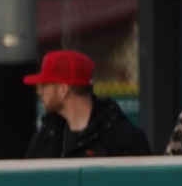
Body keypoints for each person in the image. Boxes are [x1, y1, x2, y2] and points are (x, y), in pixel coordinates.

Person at [23, 50, 152, 158]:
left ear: (63, 89)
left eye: (44, 85)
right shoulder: (44, 139)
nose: (40, 91)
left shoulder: (123, 138)